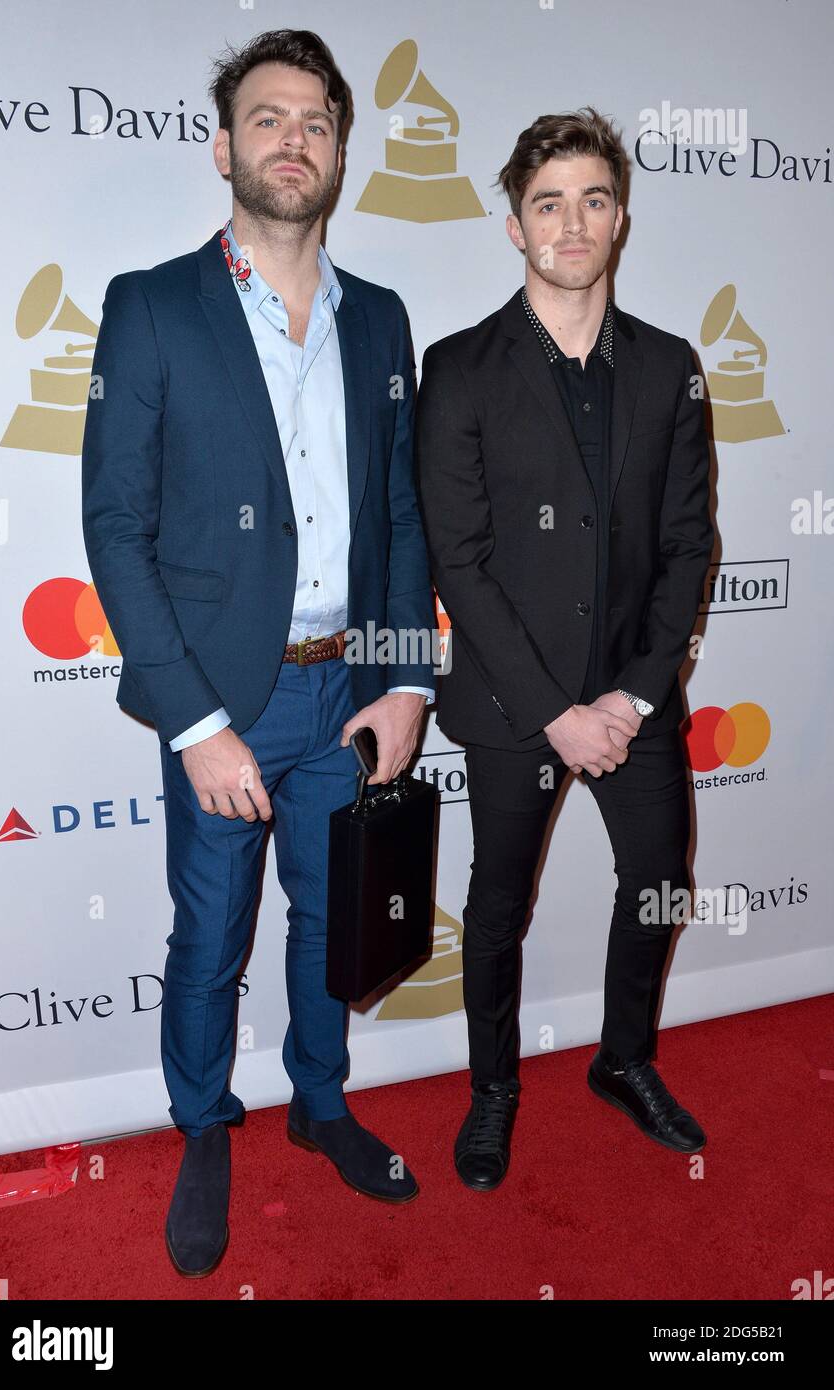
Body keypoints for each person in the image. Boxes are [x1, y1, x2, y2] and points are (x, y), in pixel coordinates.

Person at [82, 28, 435, 1275]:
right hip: (223, 702)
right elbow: (115, 528)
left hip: (348, 691)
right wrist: (194, 723)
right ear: (224, 147)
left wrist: (402, 681)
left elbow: (399, 514)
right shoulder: (151, 306)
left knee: (329, 919)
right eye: (270, 118)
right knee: (210, 931)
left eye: (319, 121)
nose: (296, 139)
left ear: (341, 150)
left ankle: (321, 1103)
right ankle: (201, 1123)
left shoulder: (382, 322)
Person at [415, 108, 714, 1192]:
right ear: (513, 226)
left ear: (619, 218)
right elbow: (462, 562)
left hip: (632, 703)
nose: (571, 221)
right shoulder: (456, 370)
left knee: (658, 883)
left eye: (592, 199)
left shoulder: (670, 367)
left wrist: (632, 698)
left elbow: (687, 544)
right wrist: (555, 713)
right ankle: (492, 1085)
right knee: (497, 901)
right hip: (509, 707)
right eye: (547, 202)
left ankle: (622, 1057)